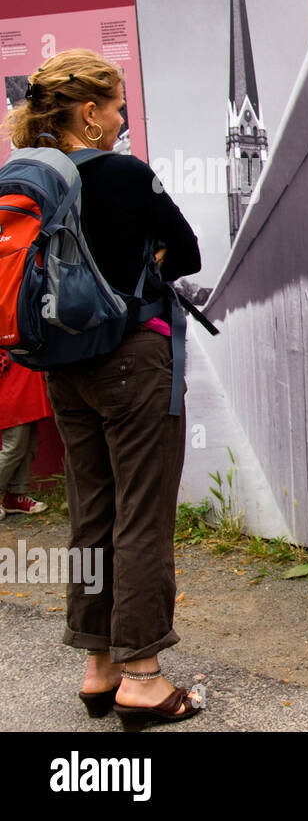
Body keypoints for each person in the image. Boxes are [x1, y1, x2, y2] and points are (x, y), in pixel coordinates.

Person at [2, 49, 203, 729]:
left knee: (92, 517)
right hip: (130, 362)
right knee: (142, 517)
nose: (121, 120)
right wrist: (142, 256)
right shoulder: (122, 174)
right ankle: (143, 678)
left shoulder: (25, 177)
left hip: (63, 369)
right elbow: (190, 250)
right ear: (90, 112)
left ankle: (98, 666)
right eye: (116, 106)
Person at [0, 351, 52, 519]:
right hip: (10, 389)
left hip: (26, 385)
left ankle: (15, 496)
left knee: (28, 445)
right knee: (13, 447)